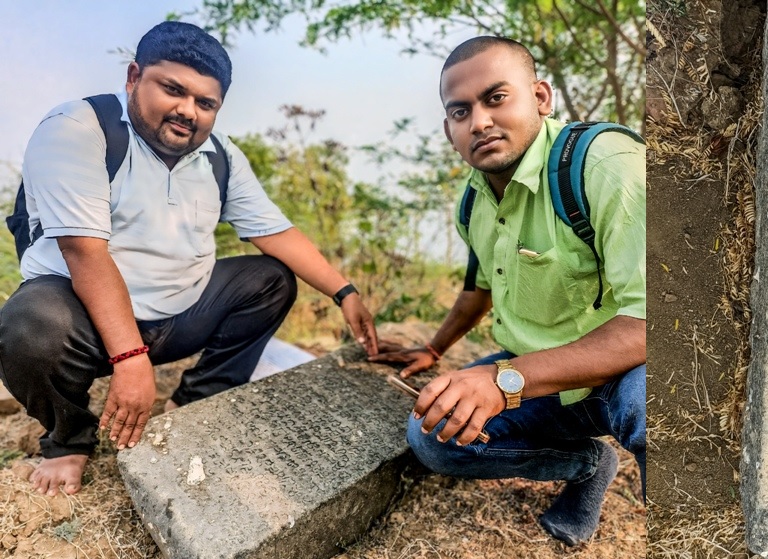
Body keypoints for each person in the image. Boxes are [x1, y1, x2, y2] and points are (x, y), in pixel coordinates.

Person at [0, 21, 379, 497]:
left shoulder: (221, 156)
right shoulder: (78, 128)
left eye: (205, 103)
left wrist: (345, 293)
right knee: (28, 326)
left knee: (271, 279)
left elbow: (275, 231)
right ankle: (68, 439)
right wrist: (130, 357)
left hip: (179, 318)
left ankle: (193, 402)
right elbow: (84, 251)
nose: (188, 111)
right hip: (85, 325)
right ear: (134, 77)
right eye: (173, 90)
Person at [371, 36, 645, 546]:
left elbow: (651, 324)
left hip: (621, 371)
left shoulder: (605, 166)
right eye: (460, 111)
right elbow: (478, 288)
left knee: (656, 405)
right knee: (434, 435)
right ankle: (588, 465)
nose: (479, 122)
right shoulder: (474, 201)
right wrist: (434, 348)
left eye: (496, 98)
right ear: (449, 130)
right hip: (539, 377)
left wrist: (503, 382)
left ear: (541, 97)